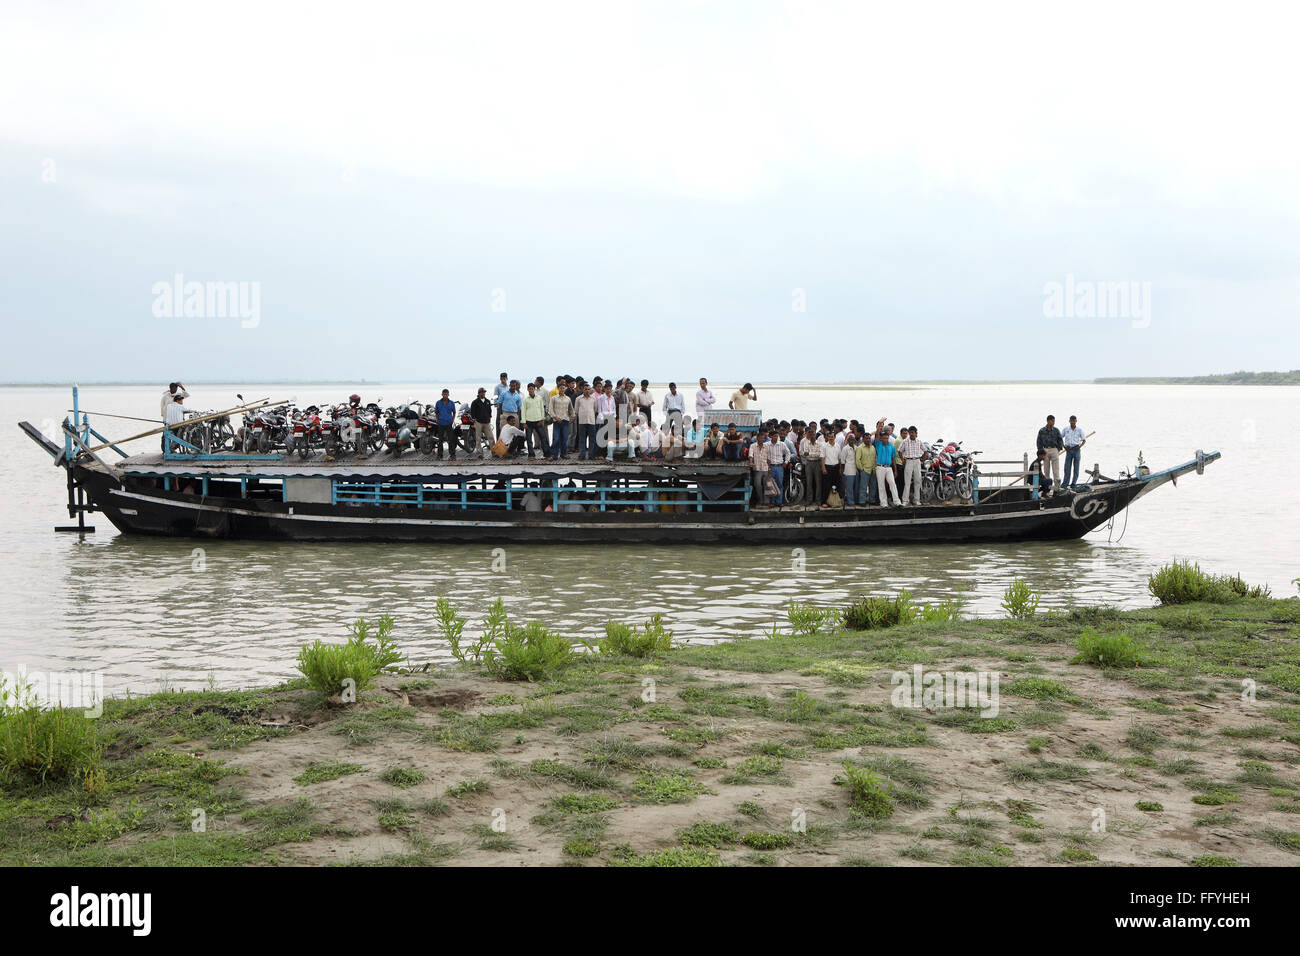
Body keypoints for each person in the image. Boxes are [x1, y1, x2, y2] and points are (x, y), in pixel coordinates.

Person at [874, 421, 902, 506]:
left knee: (892, 484)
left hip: (889, 468)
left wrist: (895, 470)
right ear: (881, 439)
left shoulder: (891, 446)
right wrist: (880, 423)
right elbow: (877, 434)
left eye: (887, 438)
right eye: (884, 438)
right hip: (880, 467)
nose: (886, 439)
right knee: (881, 486)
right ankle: (883, 503)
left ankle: (897, 502)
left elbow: (893, 458)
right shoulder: (878, 444)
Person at [521, 383, 550, 459]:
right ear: (528, 389)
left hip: (538, 421)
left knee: (543, 438)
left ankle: (547, 454)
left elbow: (541, 409)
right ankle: (531, 455)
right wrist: (524, 422)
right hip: (528, 422)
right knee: (529, 440)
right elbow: (523, 411)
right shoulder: (525, 399)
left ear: (534, 389)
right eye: (529, 389)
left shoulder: (539, 398)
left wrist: (541, 419)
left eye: (532, 389)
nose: (531, 390)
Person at [1037, 414, 1064, 495]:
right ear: (1048, 421)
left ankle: (1057, 488)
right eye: (1052, 421)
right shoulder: (1042, 430)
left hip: (1054, 449)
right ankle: (1047, 489)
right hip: (1045, 450)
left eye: (1054, 421)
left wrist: (1058, 449)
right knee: (1046, 470)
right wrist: (1041, 451)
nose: (1053, 422)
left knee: (1056, 470)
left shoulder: (1056, 430)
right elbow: (1039, 441)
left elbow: (1060, 440)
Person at [898, 426, 925, 506]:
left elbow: (926, 451)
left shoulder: (919, 441)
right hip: (908, 461)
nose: (911, 434)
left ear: (916, 433)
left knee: (917, 481)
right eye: (910, 432)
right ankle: (905, 500)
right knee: (907, 482)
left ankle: (916, 500)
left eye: (913, 432)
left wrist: (922, 460)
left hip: (917, 461)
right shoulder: (905, 441)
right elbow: (899, 451)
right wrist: (902, 460)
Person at [799, 427, 822, 507]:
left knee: (818, 482)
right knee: (809, 482)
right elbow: (804, 453)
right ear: (808, 434)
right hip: (808, 463)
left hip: (817, 463)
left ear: (815, 435)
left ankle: (818, 500)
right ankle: (809, 500)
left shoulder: (819, 443)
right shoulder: (805, 443)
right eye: (810, 433)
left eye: (813, 434)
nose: (812, 435)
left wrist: (809, 454)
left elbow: (819, 454)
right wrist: (811, 454)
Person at [767, 423, 789, 506]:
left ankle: (779, 502)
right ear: (770, 437)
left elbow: (788, 453)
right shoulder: (767, 445)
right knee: (771, 484)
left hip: (779, 467)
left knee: (780, 484)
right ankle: (772, 502)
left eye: (777, 436)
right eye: (774, 436)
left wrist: (786, 462)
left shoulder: (782, 444)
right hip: (771, 466)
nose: (776, 438)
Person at [576, 384, 600, 459]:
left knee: (592, 439)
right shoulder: (578, 399)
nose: (587, 391)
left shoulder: (593, 399)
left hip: (591, 421)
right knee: (582, 439)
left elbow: (595, 409)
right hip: (582, 421)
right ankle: (582, 455)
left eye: (588, 389)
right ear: (583, 390)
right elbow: (576, 410)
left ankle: (591, 455)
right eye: (585, 389)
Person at [1061, 415, 1086, 489]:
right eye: (1071, 420)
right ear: (1069, 421)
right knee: (1067, 467)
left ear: (1076, 421)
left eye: (1074, 420)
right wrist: (1064, 446)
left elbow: (1084, 440)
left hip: (1076, 450)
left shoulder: (1079, 430)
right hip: (1068, 450)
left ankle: (1074, 483)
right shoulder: (1066, 429)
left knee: (1076, 467)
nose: (1072, 422)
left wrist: (1080, 446)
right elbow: (1060, 438)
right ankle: (1065, 484)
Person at [470, 387, 494, 459]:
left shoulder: (487, 401)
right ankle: (479, 453)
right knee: (478, 438)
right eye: (481, 392)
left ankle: (494, 452)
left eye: (484, 392)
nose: (483, 393)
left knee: (491, 437)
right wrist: (474, 419)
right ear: (478, 393)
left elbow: (490, 411)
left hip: (486, 422)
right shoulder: (475, 402)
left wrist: (489, 418)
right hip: (478, 422)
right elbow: (472, 412)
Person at [549, 386, 572, 459]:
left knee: (565, 438)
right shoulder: (554, 398)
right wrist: (555, 417)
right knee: (556, 438)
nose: (562, 389)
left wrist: (572, 417)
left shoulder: (568, 398)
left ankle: (563, 454)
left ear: (565, 389)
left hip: (565, 420)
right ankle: (553, 455)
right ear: (558, 389)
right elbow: (550, 410)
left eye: (564, 388)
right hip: (557, 421)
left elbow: (571, 409)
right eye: (561, 388)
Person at [854, 431, 877, 505]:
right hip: (865, 470)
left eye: (869, 438)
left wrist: (875, 467)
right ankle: (862, 501)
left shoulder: (873, 447)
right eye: (866, 438)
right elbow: (857, 460)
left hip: (873, 470)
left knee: (873, 486)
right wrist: (862, 469)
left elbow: (875, 458)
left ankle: (872, 500)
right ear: (863, 439)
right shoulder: (860, 448)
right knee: (863, 487)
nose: (868, 440)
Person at [434, 389, 458, 460]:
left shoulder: (451, 403)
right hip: (441, 423)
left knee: (450, 440)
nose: (445, 395)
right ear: (442, 394)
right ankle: (439, 455)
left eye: (446, 394)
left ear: (448, 395)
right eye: (444, 394)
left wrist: (452, 420)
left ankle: (452, 455)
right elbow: (436, 412)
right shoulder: (438, 403)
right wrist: (437, 420)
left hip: (448, 423)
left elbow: (454, 412)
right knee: (440, 440)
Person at [750, 430, 771, 506]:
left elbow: (768, 458)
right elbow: (750, 455)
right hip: (757, 468)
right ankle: (760, 500)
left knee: (766, 485)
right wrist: (751, 462)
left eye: (763, 438)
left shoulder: (767, 447)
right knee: (757, 484)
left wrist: (769, 468)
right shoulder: (753, 446)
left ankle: (766, 501)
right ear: (757, 438)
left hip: (765, 468)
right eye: (761, 438)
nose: (762, 440)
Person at [840, 432, 859, 507]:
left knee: (856, 487)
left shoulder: (857, 448)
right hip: (848, 470)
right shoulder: (845, 449)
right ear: (848, 440)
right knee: (849, 487)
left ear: (854, 440)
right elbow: (842, 461)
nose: (852, 441)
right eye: (850, 439)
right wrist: (842, 470)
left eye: (853, 440)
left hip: (856, 470)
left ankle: (855, 500)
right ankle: (850, 501)